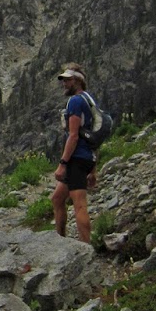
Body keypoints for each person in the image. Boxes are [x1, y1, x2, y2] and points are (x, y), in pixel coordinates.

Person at [51, 64, 96, 243]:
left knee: (79, 204)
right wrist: (93, 168)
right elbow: (93, 136)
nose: (64, 83)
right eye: (63, 80)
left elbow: (74, 135)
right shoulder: (89, 100)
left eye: (68, 80)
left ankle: (87, 248)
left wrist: (63, 163)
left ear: (77, 81)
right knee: (57, 198)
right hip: (86, 158)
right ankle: (60, 241)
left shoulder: (75, 101)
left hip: (76, 159)